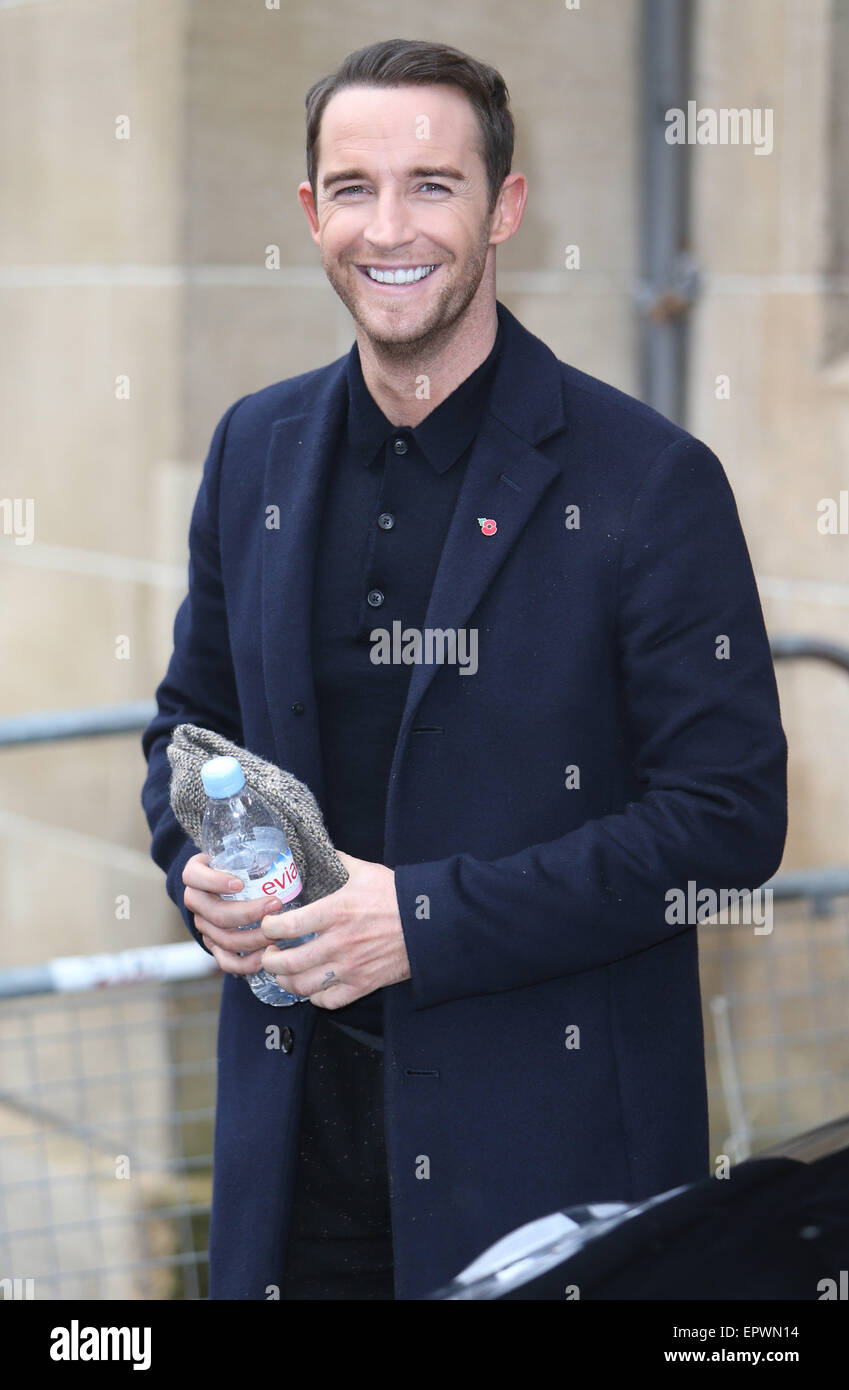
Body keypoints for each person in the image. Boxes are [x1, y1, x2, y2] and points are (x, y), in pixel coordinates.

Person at [141, 37, 788, 1301]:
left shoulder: (650, 480)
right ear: (311, 212)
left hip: (545, 1175)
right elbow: (189, 721)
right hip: (291, 1168)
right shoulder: (252, 446)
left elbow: (728, 821)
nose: (390, 227)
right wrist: (196, 872)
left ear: (505, 207)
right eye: (354, 187)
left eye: (433, 185)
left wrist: (422, 923)